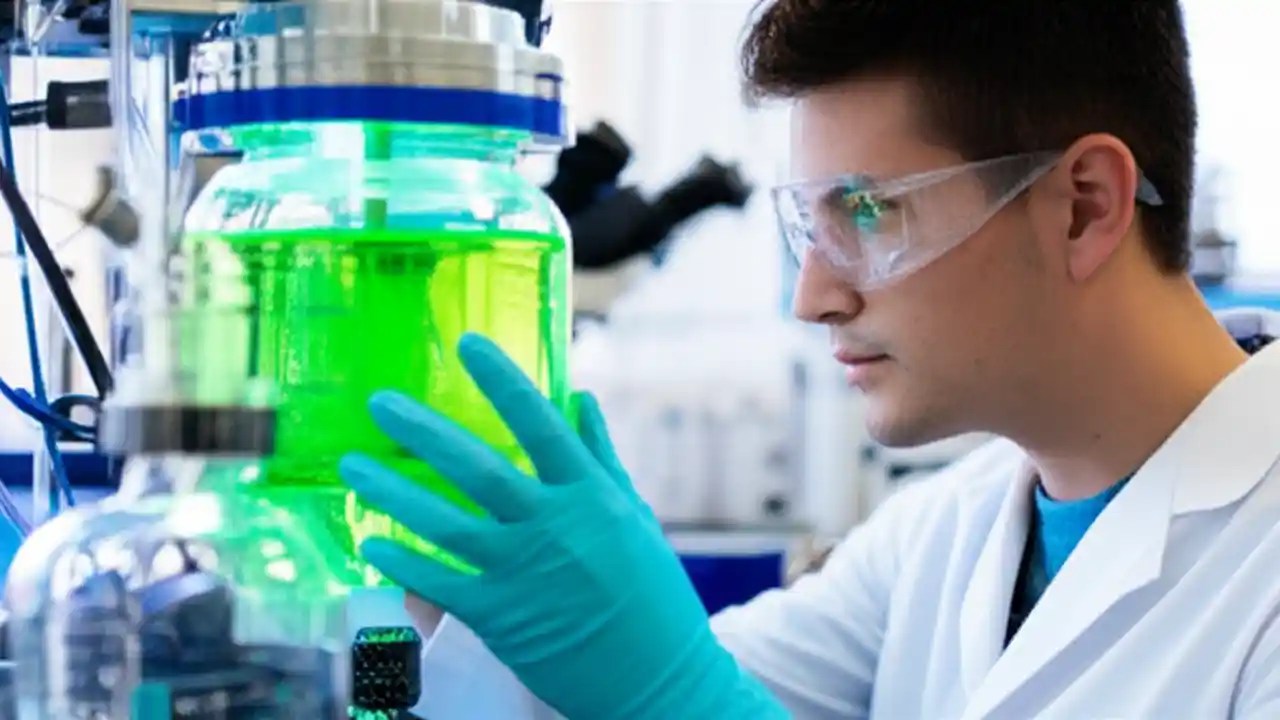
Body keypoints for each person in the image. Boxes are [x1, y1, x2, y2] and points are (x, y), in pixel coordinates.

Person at [338, 1, 1280, 718]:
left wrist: (676, 695)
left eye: (870, 214)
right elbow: (642, 682)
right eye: (811, 225)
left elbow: (681, 692)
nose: (812, 296)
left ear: (1083, 205)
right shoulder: (942, 537)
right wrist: (501, 600)